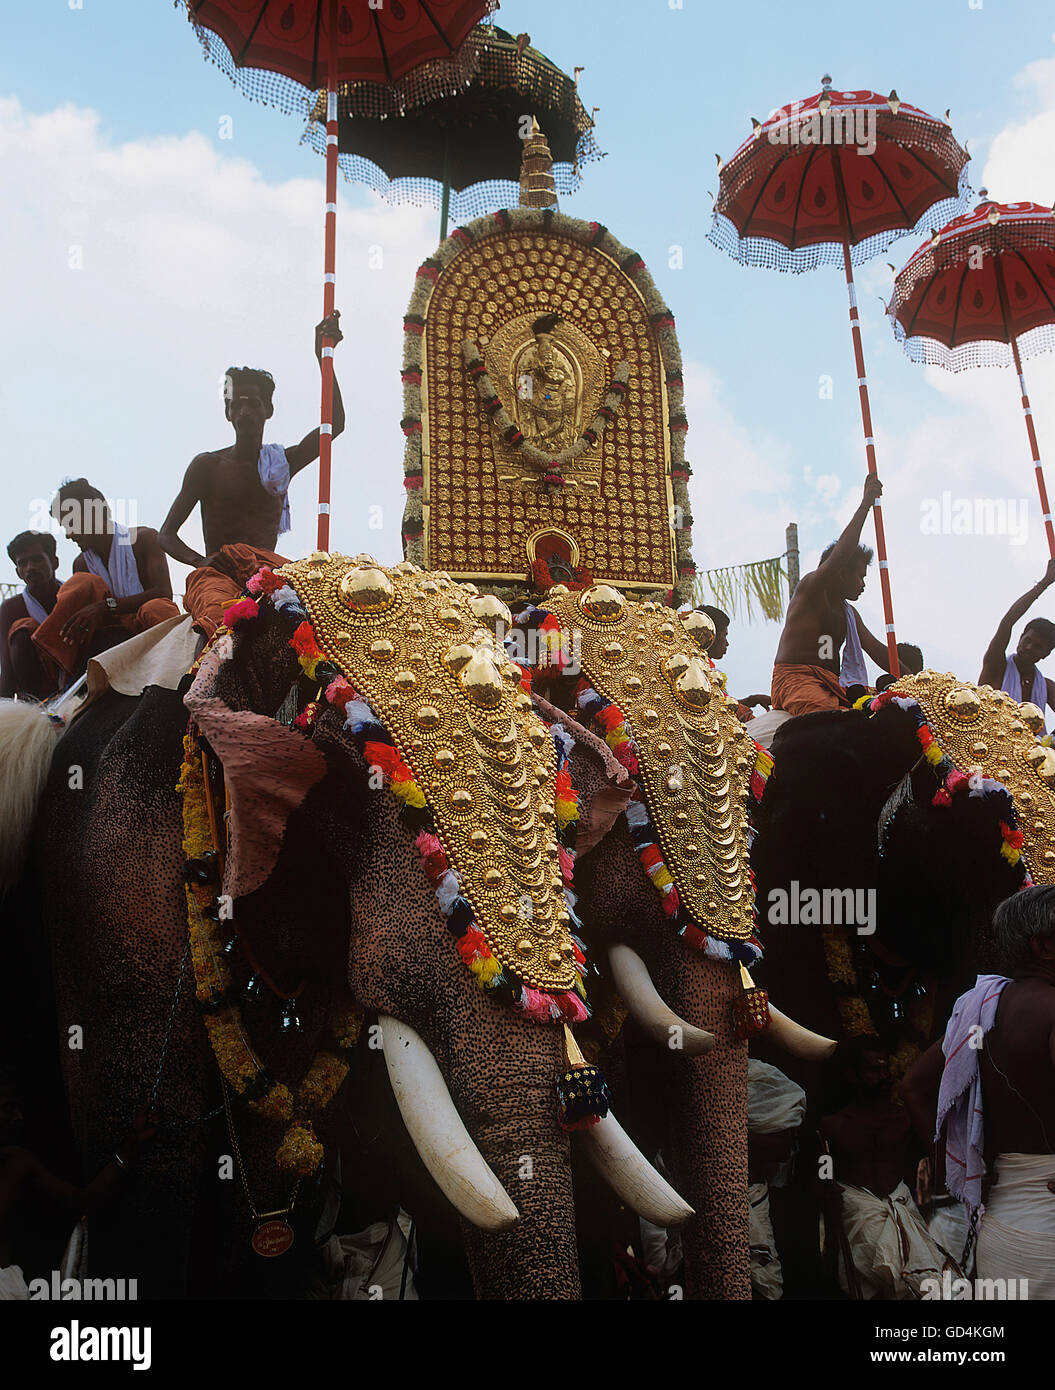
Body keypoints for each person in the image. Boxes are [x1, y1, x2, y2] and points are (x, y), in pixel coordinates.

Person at [900, 886, 1055, 1298]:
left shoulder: (981, 1008)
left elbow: (913, 1087)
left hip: (1001, 1222)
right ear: (1044, 946)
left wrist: (960, 1172)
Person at [160, 314, 345, 639]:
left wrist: (323, 356)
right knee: (220, 613)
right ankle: (201, 683)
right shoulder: (207, 466)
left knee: (318, 615)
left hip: (270, 571)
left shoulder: (283, 461)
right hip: (217, 573)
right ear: (228, 412)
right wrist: (201, 561)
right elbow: (166, 535)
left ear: (268, 410)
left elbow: (334, 425)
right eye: (238, 404)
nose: (245, 411)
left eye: (254, 404)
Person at [0, 1066, 156, 1299]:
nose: (19, 1117)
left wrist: (131, 1146)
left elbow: (84, 1201)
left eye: (19, 1108)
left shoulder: (18, 1162)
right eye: (8, 1109)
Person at [818, 1036, 956, 1299]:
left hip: (901, 1210)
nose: (883, 1076)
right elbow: (824, 1172)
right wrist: (829, 1195)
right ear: (853, 1075)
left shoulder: (903, 1119)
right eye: (874, 1069)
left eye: (886, 1068)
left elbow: (935, 1159)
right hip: (857, 1218)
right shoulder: (833, 1126)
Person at [30, 480, 179, 686]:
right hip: (114, 637)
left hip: (150, 627)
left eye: (71, 525)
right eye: (65, 527)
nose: (68, 535)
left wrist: (105, 607)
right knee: (81, 586)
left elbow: (163, 593)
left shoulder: (144, 539)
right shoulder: (81, 564)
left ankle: (180, 673)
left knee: (157, 607)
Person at [771, 475, 890, 716]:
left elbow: (879, 652)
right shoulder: (812, 588)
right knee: (831, 719)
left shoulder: (849, 614)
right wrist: (866, 503)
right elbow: (840, 555)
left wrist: (920, 682)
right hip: (796, 679)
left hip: (834, 684)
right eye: (860, 576)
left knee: (890, 708)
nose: (863, 584)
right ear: (840, 573)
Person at [978, 558, 1055, 729]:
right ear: (1020, 639)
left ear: (1046, 654)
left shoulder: (1047, 686)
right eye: (1027, 641)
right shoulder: (996, 665)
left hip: (1033, 755)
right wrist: (1045, 583)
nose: (1028, 648)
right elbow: (1007, 622)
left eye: (1037, 646)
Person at [0, 531, 63, 698]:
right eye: (23, 563)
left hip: (78, 684)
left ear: (54, 562)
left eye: (37, 559)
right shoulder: (11, 608)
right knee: (22, 629)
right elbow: (7, 672)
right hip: (40, 697)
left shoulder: (75, 595)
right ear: (18, 572)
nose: (30, 568)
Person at [696, 604, 771, 721]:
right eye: (724, 635)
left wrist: (751, 700)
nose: (727, 643)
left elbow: (721, 703)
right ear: (711, 636)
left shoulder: (704, 668)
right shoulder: (696, 671)